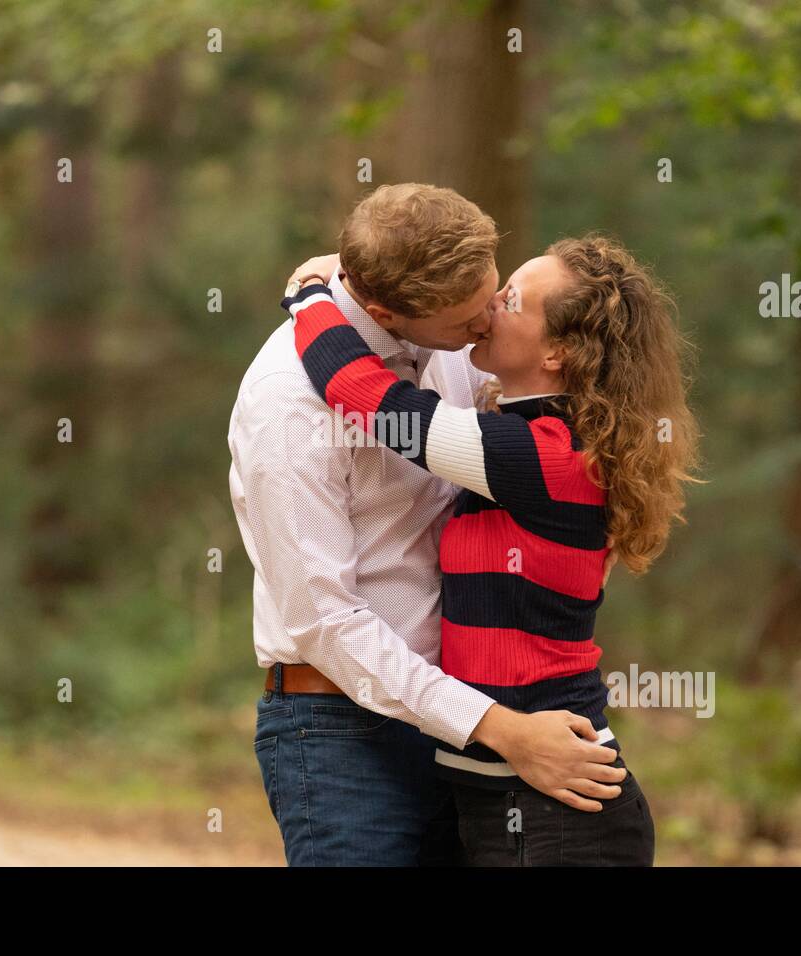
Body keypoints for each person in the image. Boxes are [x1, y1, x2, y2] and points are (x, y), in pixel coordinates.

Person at [227, 184, 627, 866]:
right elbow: (323, 620)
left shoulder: (460, 353)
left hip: (468, 728)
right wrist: (499, 727)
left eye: (496, 302)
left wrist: (309, 295)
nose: (489, 325)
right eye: (470, 319)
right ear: (387, 311)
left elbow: (402, 411)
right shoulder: (287, 405)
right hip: (343, 731)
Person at [281, 232, 699, 865]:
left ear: (558, 350)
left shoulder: (542, 455)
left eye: (510, 299)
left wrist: (311, 295)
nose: (487, 307)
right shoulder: (519, 434)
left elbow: (370, 399)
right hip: (504, 794)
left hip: (558, 810)